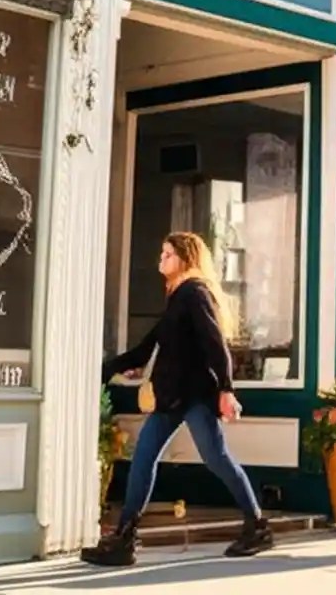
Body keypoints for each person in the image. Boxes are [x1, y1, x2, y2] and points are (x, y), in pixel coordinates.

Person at [82, 232, 272, 566]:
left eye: (167, 253)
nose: (161, 258)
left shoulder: (194, 292)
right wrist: (104, 370)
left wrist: (226, 390)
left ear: (185, 259)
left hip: (195, 396)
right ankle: (124, 539)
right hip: (172, 398)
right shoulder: (177, 297)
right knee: (143, 458)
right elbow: (147, 348)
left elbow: (216, 345)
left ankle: (257, 526)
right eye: (162, 252)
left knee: (217, 459)